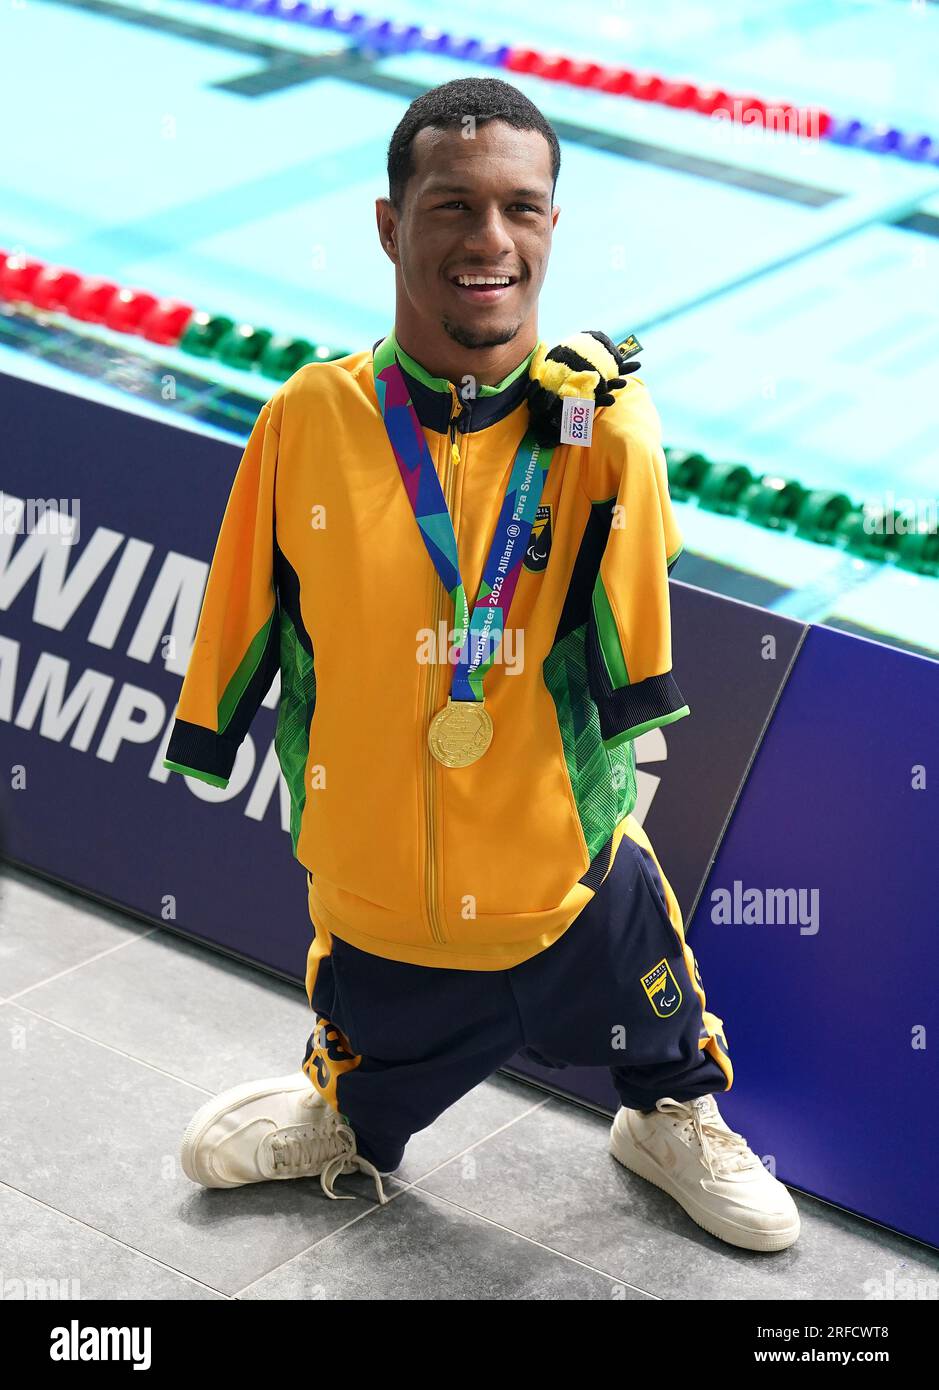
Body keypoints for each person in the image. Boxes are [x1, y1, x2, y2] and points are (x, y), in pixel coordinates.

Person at [164, 77, 800, 1254]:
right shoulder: (310, 417)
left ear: (553, 225)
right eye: (452, 205)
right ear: (389, 225)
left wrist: (628, 435)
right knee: (319, 1092)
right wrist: (205, 735)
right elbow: (237, 606)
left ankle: (666, 1115)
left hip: (565, 884)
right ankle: (347, 1118)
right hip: (377, 896)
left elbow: (635, 639)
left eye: (522, 207)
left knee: (650, 1014)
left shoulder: (595, 428)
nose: (489, 240)